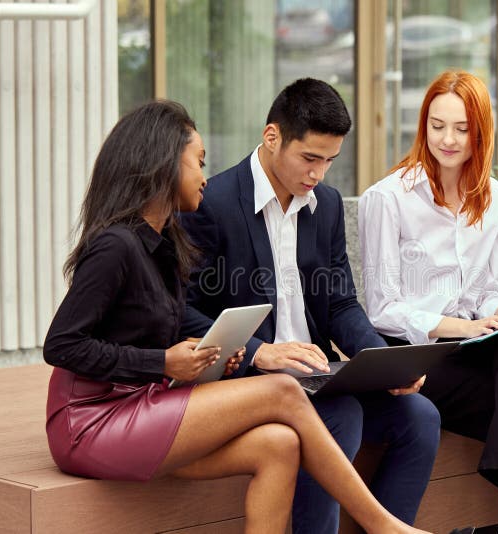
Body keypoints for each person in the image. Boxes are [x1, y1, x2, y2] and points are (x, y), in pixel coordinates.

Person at [43, 100, 432, 534]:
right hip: (92, 418)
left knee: (280, 443)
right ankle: (382, 525)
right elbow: (61, 346)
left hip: (148, 399)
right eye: (198, 162)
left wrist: (209, 358)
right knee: (284, 391)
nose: (205, 176)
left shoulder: (167, 243)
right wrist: (167, 362)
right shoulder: (115, 246)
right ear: (161, 165)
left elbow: (160, 331)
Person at [180, 79, 441, 534]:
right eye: (310, 158)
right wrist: (262, 352)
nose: (319, 173)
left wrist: (381, 360)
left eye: (329, 161)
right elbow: (184, 312)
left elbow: (340, 303)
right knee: (342, 415)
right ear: (272, 136)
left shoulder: (329, 205)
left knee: (420, 417)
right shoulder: (212, 204)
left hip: (317, 377)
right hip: (250, 382)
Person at [359, 70, 498, 534]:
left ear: (480, 131)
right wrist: (460, 327)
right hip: (417, 357)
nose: (448, 139)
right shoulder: (387, 199)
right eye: (437, 125)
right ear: (423, 125)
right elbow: (382, 307)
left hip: (475, 349)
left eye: (462, 129)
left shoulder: (495, 199)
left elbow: (492, 290)